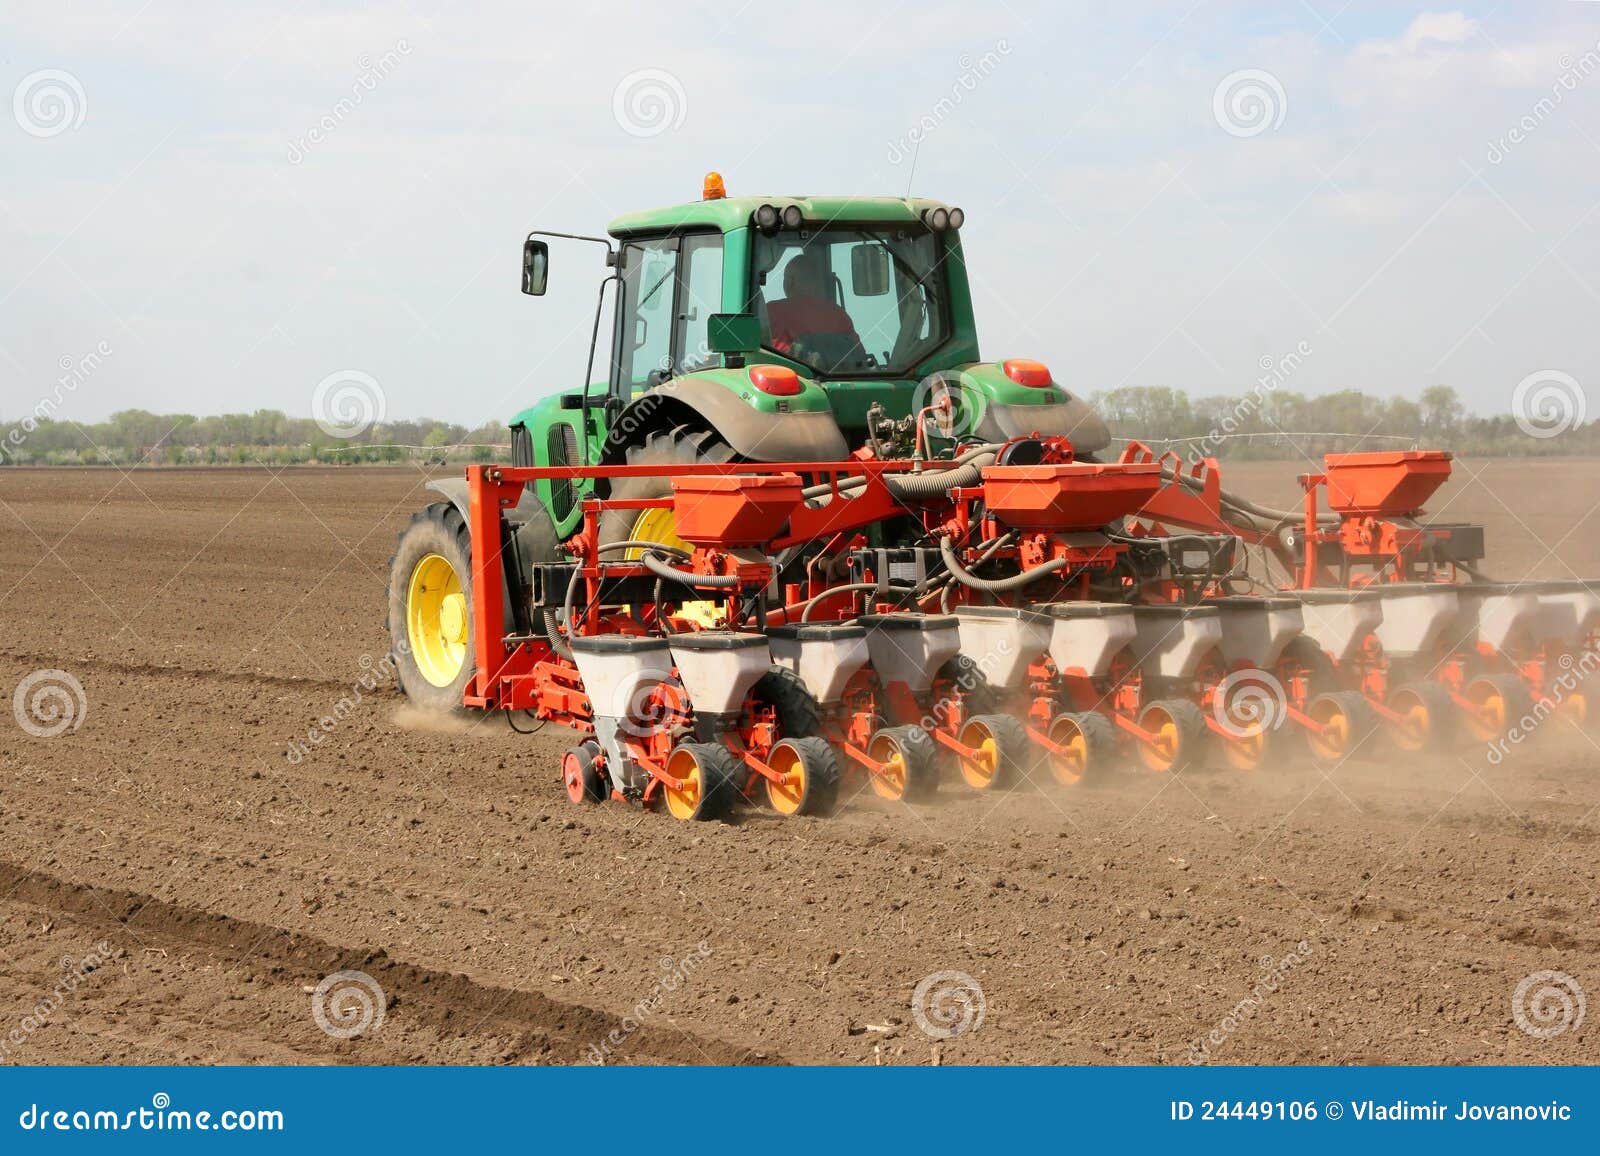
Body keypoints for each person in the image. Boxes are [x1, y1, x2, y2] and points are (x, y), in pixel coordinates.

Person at [763, 247, 864, 363]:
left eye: (785, 278)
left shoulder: (772, 311)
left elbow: (755, 348)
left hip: (787, 372)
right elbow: (859, 355)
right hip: (833, 374)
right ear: (816, 282)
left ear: (789, 282)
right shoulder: (839, 314)